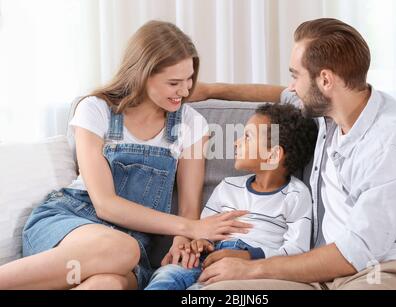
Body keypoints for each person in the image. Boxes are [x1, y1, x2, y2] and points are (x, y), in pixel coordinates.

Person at [190, 18, 396, 290]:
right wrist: (212, 90)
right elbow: (280, 96)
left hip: (392, 268)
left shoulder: (394, 142)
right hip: (327, 272)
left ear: (325, 79)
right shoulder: (330, 113)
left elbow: (358, 250)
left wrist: (252, 269)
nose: (291, 87)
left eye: (295, 75)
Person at [0, 21, 251, 290]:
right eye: (173, 82)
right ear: (142, 75)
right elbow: (105, 205)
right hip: (72, 221)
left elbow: (188, 210)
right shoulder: (96, 110)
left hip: (131, 247)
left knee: (108, 284)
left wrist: (182, 243)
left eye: (190, 79)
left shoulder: (191, 124)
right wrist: (191, 228)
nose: (185, 90)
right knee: (121, 249)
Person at [145, 103, 318, 290]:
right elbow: (204, 228)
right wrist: (200, 243)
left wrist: (247, 255)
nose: (236, 142)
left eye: (247, 137)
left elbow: (297, 251)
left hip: (245, 267)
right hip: (207, 257)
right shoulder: (228, 186)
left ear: (273, 155)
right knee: (167, 275)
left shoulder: (296, 195)